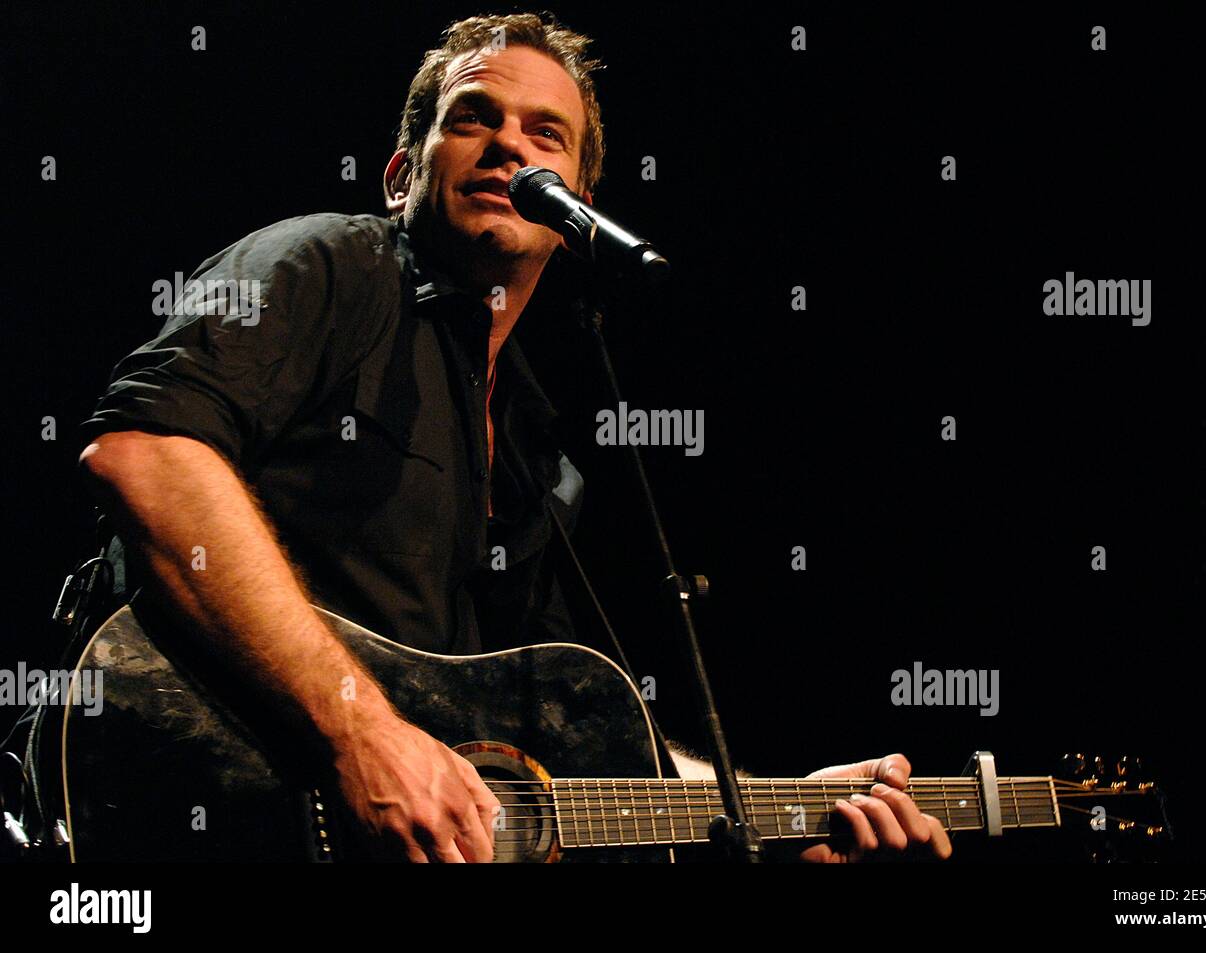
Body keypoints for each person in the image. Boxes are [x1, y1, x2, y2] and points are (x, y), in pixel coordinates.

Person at [77, 11, 952, 864]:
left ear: (577, 209)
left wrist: (777, 808)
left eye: (546, 134)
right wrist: (361, 733)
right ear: (401, 176)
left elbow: (566, 737)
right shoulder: (330, 266)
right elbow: (144, 454)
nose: (509, 146)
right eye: (473, 118)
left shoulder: (538, 453)